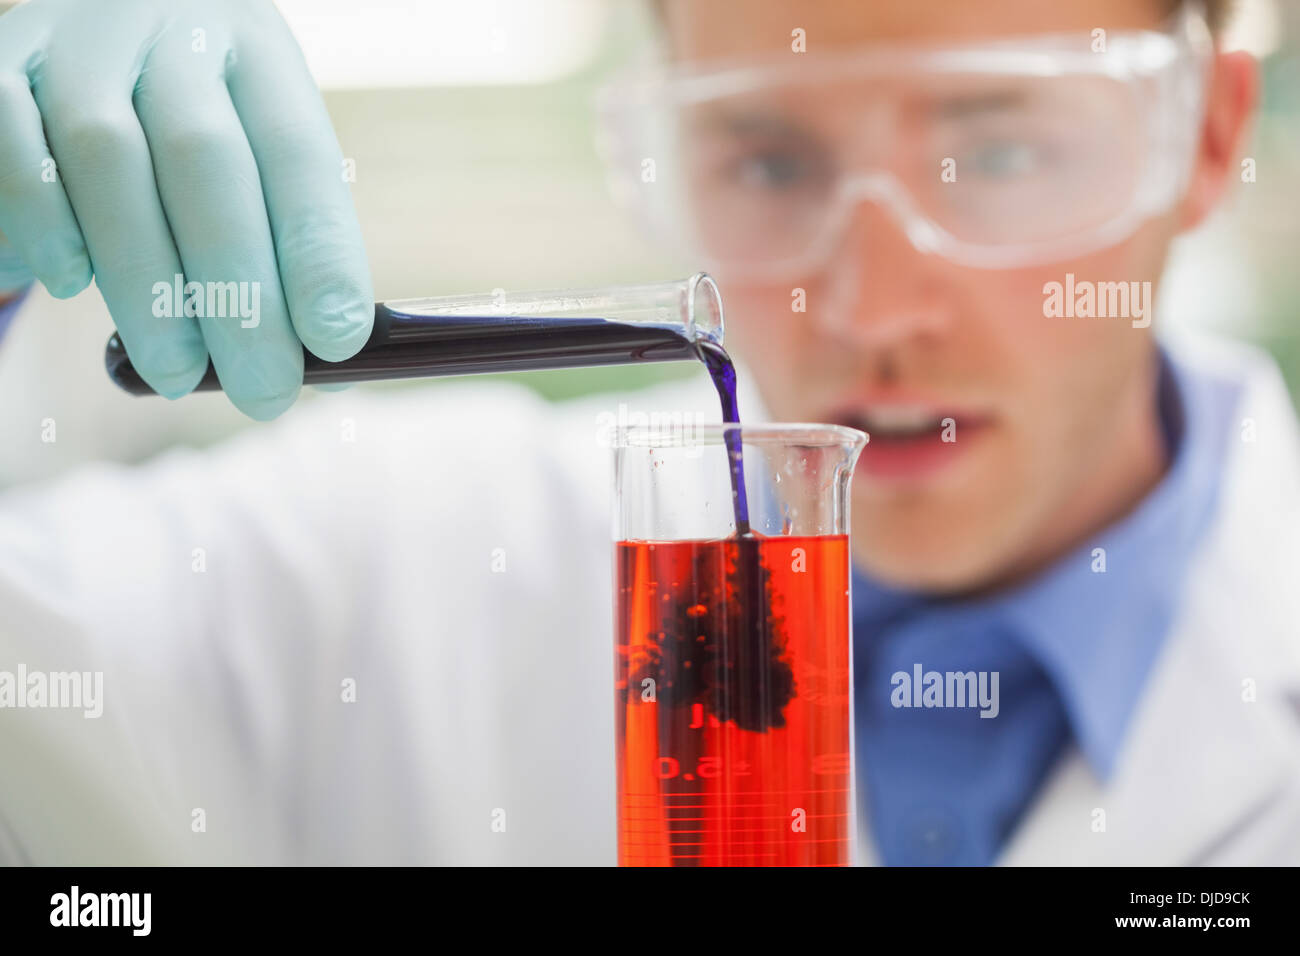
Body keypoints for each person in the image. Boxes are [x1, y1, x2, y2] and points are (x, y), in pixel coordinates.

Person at [0, 0, 1295, 865]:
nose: (873, 306)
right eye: (770, 164)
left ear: (1206, 137)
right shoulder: (395, 561)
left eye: (999, 156)